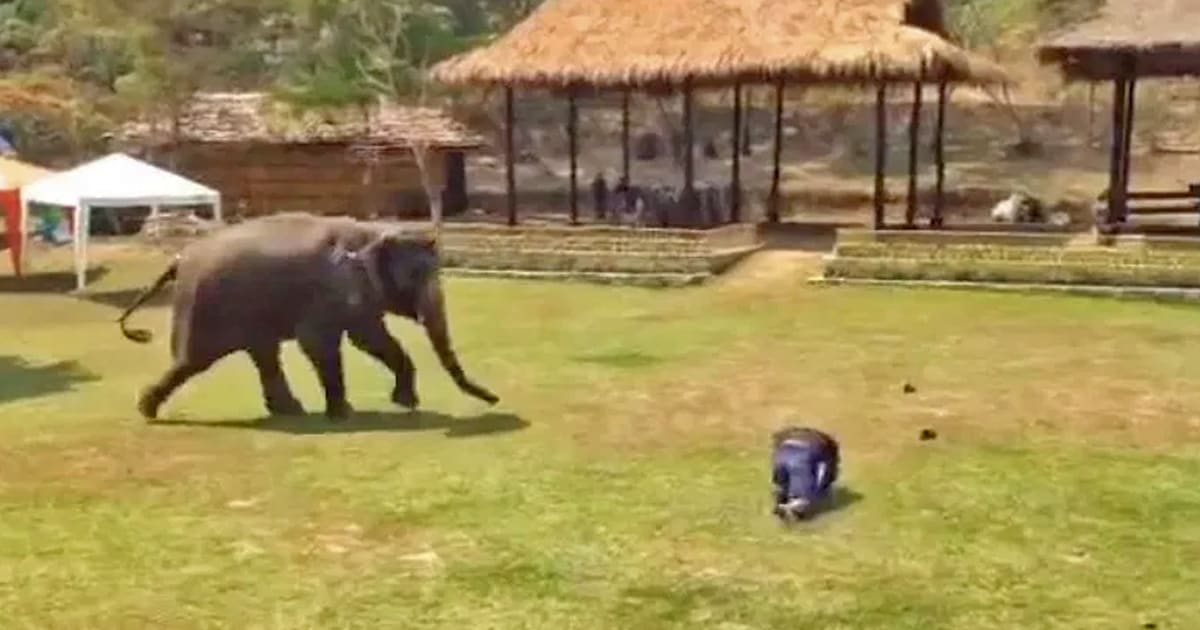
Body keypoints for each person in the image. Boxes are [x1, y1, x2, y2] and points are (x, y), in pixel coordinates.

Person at [770, 425, 840, 521]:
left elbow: (776, 447)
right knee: (805, 499)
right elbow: (828, 471)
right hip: (803, 454)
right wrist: (819, 491)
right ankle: (792, 507)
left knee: (782, 487)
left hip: (782, 454)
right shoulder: (827, 445)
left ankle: (782, 503)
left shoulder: (787, 435)